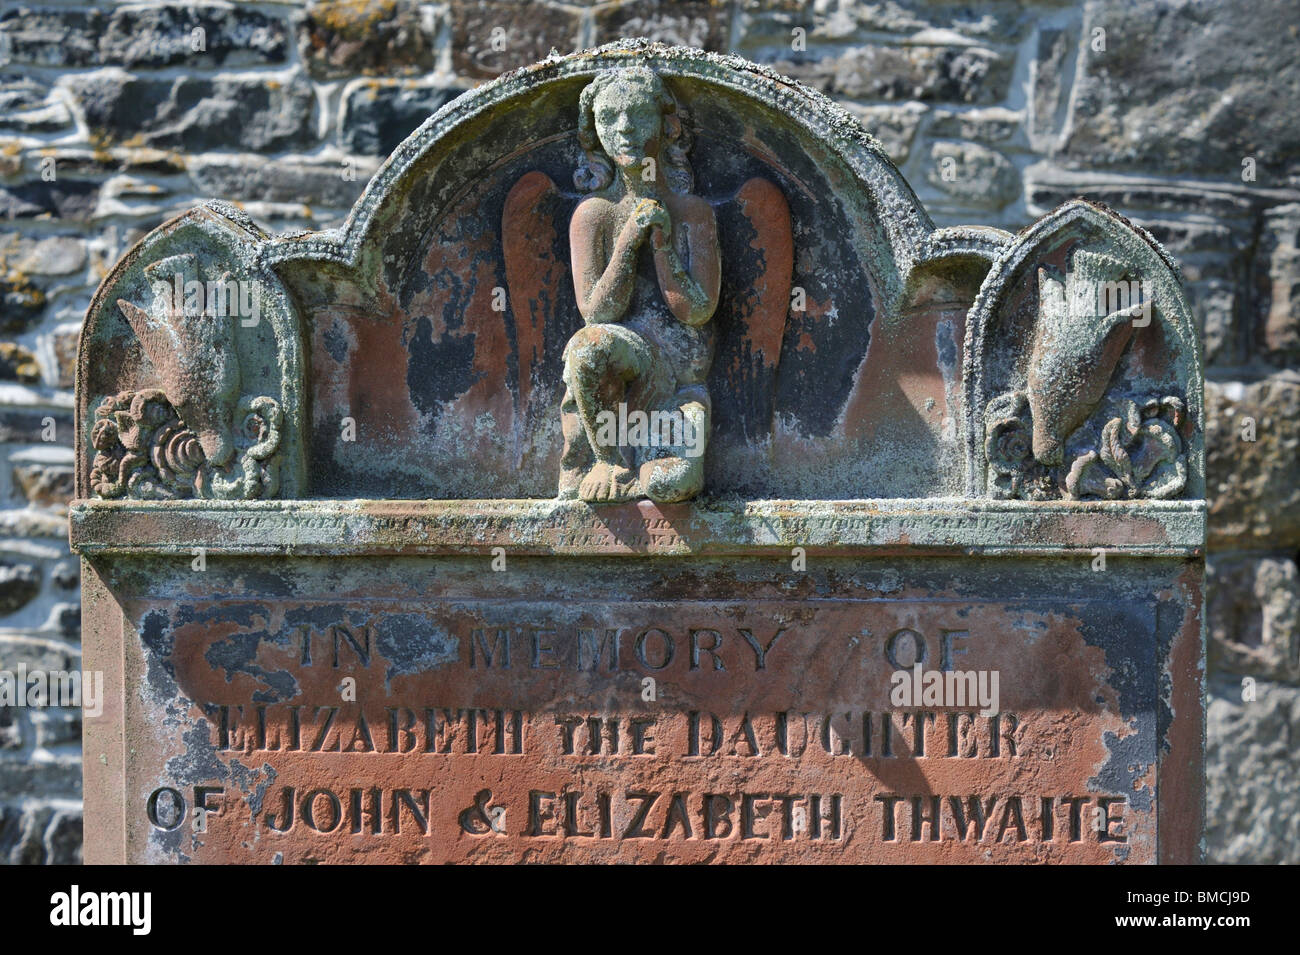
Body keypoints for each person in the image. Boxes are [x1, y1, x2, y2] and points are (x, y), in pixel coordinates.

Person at [559, 66, 721, 503]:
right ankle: (607, 458)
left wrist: (663, 244)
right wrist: (629, 241)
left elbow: (697, 311)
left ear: (666, 125)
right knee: (588, 345)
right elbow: (597, 312)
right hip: (618, 375)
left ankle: (646, 461)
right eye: (609, 118)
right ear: (593, 132)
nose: (624, 130)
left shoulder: (692, 213)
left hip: (676, 387)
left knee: (668, 486)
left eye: (637, 115)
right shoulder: (593, 215)